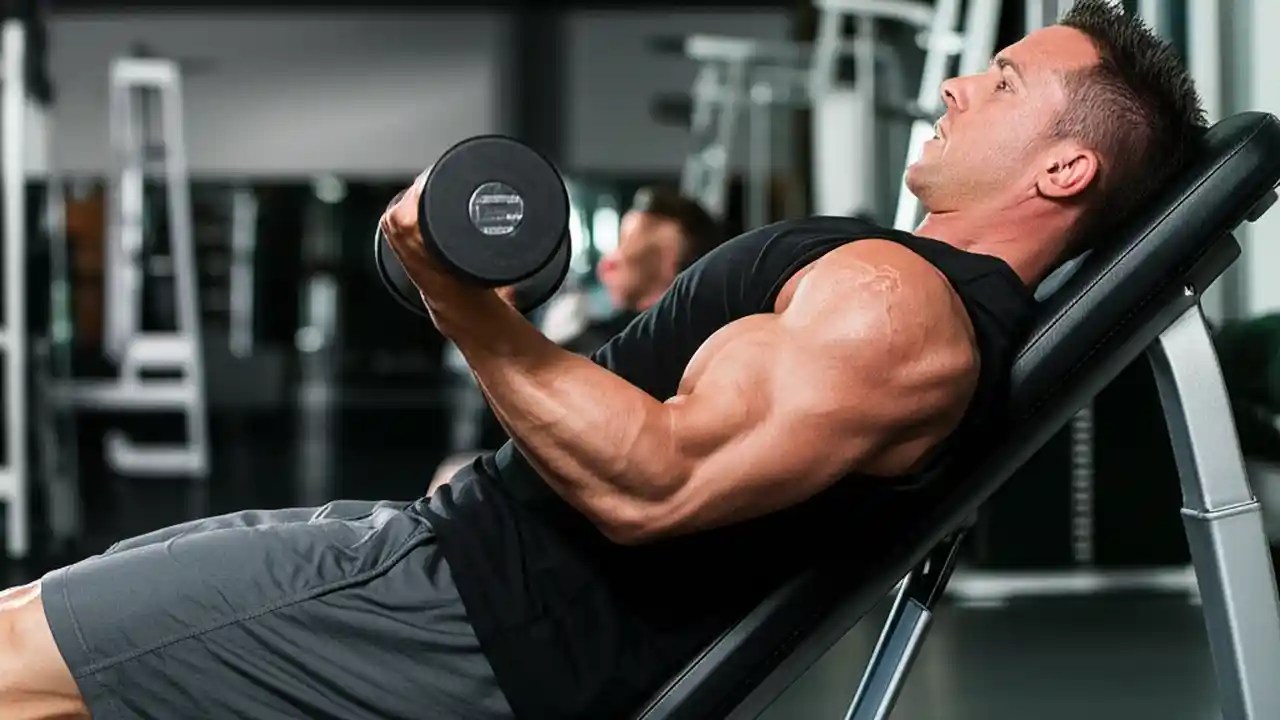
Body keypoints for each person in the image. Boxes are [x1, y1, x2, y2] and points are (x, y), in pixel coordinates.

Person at [0, 3, 1207, 718]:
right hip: (443, 568)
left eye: (998, 84)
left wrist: (457, 295)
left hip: (465, 614)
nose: (952, 82)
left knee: (13, 662)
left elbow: (657, 484)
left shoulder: (899, 317)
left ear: (1062, 170)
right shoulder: (889, 279)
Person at [441, 185, 724, 468]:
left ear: (668, 259)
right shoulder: (593, 336)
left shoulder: (692, 355)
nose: (607, 263)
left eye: (627, 241)